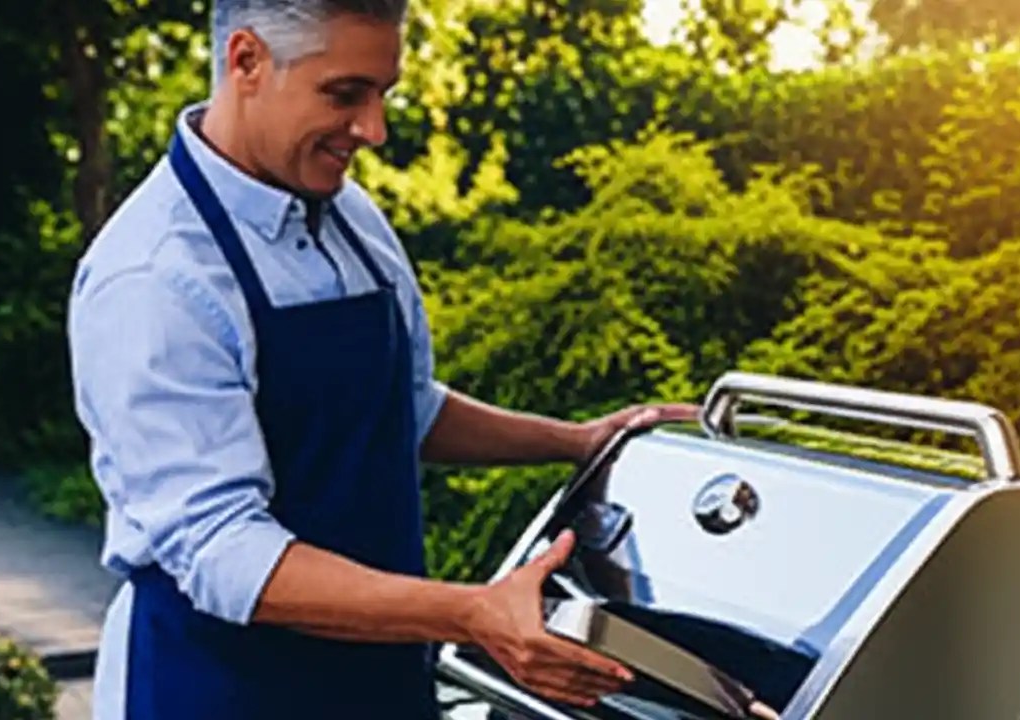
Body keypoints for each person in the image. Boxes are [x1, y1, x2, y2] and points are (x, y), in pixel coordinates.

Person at [66, 0, 698, 717]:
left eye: (383, 93)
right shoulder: (155, 277)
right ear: (246, 61)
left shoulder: (350, 217)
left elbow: (405, 405)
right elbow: (222, 550)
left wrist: (579, 442)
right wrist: (470, 612)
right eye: (345, 94)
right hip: (217, 690)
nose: (373, 130)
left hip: (377, 684)